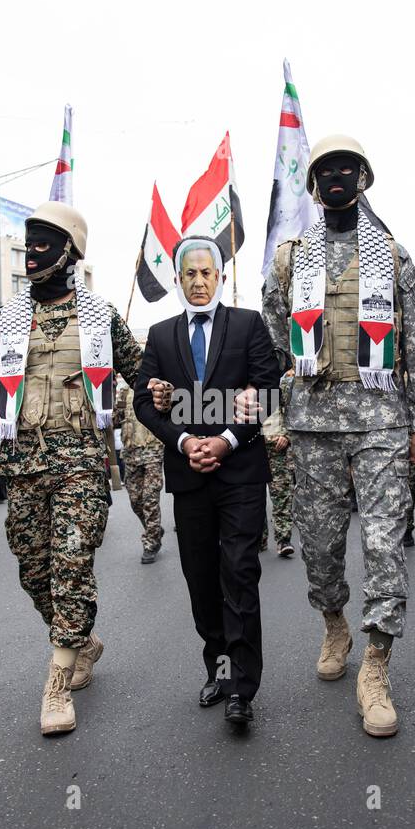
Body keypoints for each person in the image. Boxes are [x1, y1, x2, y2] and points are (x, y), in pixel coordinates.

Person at [262, 135, 415, 737]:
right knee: (318, 545)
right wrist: (273, 414)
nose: (337, 177)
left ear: (363, 179)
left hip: (383, 424)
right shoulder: (290, 260)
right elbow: (268, 347)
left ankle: (377, 665)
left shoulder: (392, 256)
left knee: (386, 544)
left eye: (347, 168)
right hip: (313, 428)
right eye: (326, 171)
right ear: (314, 186)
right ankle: (334, 619)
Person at [0, 201, 142, 736]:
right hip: (23, 466)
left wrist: (178, 398)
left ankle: (57, 683)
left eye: (43, 241)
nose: (32, 250)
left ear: (69, 252)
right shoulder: (8, 320)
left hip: (82, 463)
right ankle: (82, 640)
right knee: (32, 567)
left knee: (70, 564)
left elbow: (142, 368)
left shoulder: (100, 316)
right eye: (28, 240)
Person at [135, 235, 282, 727]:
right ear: (177, 278)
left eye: (208, 273)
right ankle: (218, 668)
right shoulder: (158, 336)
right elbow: (143, 402)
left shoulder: (249, 325)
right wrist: (182, 442)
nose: (199, 282)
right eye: (189, 273)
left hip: (239, 473)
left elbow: (267, 392)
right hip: (188, 478)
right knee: (200, 579)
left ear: (220, 276)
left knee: (238, 572)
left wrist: (224, 439)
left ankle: (243, 687)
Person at [113, 377, 164, 564]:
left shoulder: (156, 389)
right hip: (131, 454)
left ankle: (151, 542)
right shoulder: (125, 392)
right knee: (136, 502)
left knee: (150, 499)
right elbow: (114, 419)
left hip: (152, 452)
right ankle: (155, 529)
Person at [259, 370, 296, 557]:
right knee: (254, 495)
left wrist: (287, 435)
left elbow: (292, 409)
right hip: (251, 446)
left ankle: (283, 540)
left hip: (277, 445)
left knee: (281, 494)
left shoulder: (281, 380)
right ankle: (259, 538)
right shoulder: (240, 377)